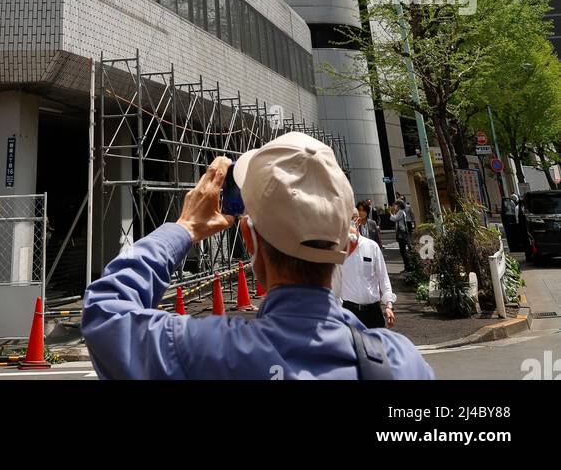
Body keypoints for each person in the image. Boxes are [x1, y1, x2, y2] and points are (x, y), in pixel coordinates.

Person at [82, 131, 433, 380]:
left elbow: (105, 314)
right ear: (349, 245)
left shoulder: (203, 351)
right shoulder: (402, 363)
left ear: (249, 239)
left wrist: (185, 227)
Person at [333, 211, 396, 330]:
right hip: (349, 311)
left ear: (359, 221)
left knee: (377, 347)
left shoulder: (372, 246)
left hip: (373, 311)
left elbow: (383, 278)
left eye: (351, 219)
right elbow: (336, 287)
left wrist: (389, 305)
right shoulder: (339, 252)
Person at [390, 202, 413, 271]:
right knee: (403, 250)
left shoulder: (400, 212)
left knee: (403, 251)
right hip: (402, 233)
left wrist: (390, 213)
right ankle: (407, 266)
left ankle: (408, 266)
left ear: (399, 206)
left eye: (395, 205)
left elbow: (394, 219)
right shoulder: (401, 212)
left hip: (401, 234)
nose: (394, 206)